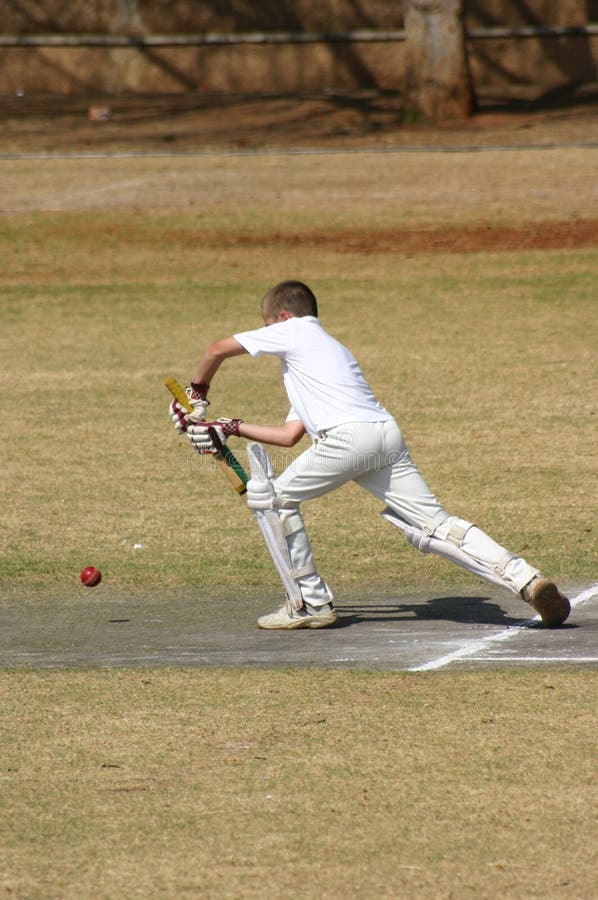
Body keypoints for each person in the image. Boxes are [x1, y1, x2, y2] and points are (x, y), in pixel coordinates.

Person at [169, 280, 570, 631]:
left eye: (267, 323)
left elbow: (217, 348)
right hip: (383, 436)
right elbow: (290, 436)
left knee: (272, 499)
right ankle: (526, 580)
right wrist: (227, 427)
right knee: (434, 524)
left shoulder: (293, 332)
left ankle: (311, 603)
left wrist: (197, 396)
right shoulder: (324, 358)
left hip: (348, 439)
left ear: (285, 316)